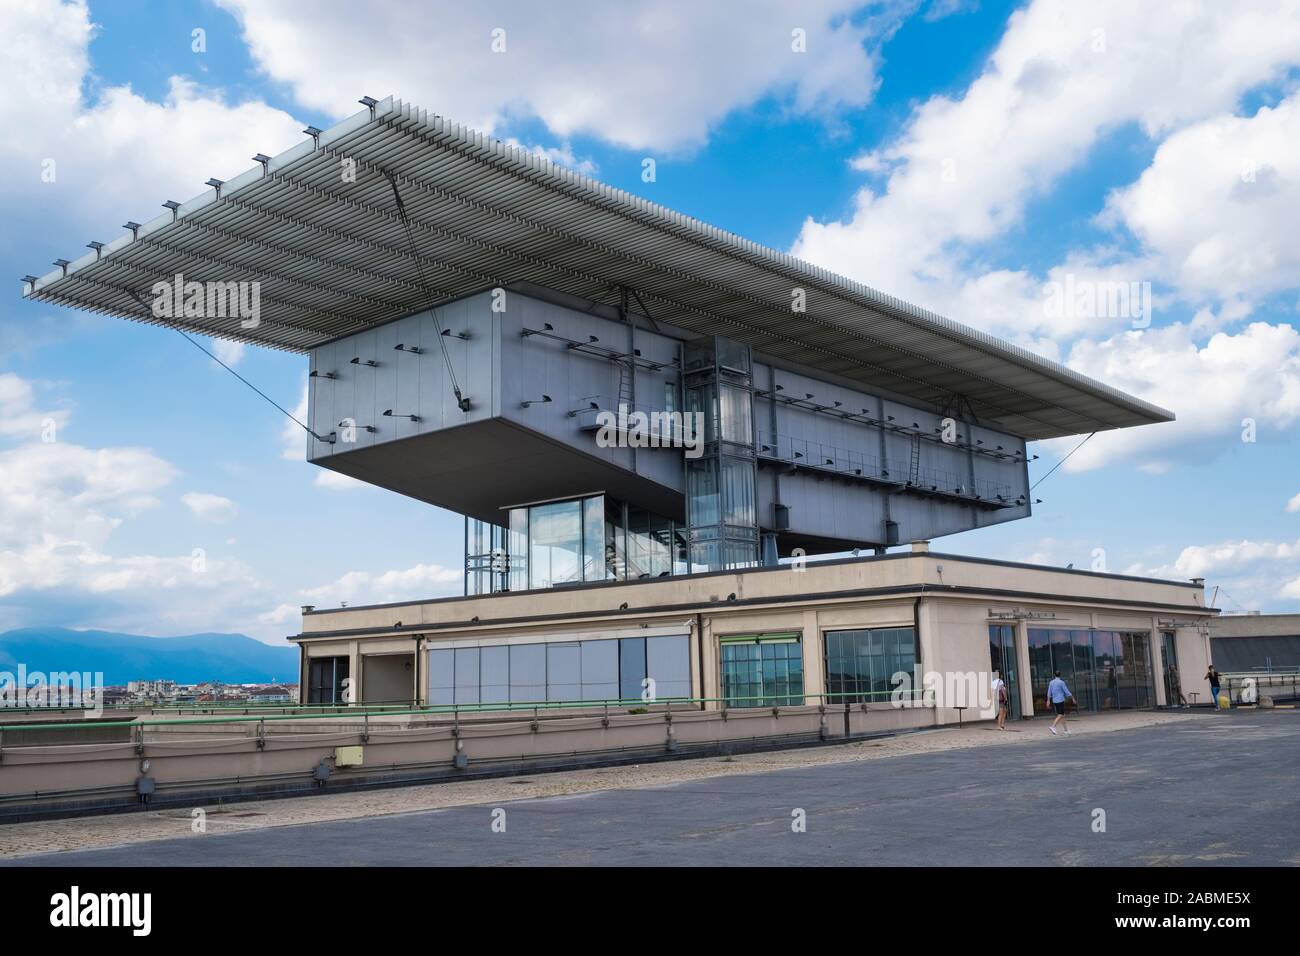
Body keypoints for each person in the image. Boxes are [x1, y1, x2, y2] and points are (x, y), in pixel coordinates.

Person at [1046, 670, 1074, 736]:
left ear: (1054, 675)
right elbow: (1066, 691)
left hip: (1055, 701)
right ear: (1060, 675)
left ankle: (1066, 730)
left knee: (1063, 715)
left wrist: (1048, 700)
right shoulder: (1061, 682)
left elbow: (1049, 692)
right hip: (1060, 700)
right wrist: (1072, 698)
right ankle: (1053, 726)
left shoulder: (1051, 682)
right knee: (1060, 714)